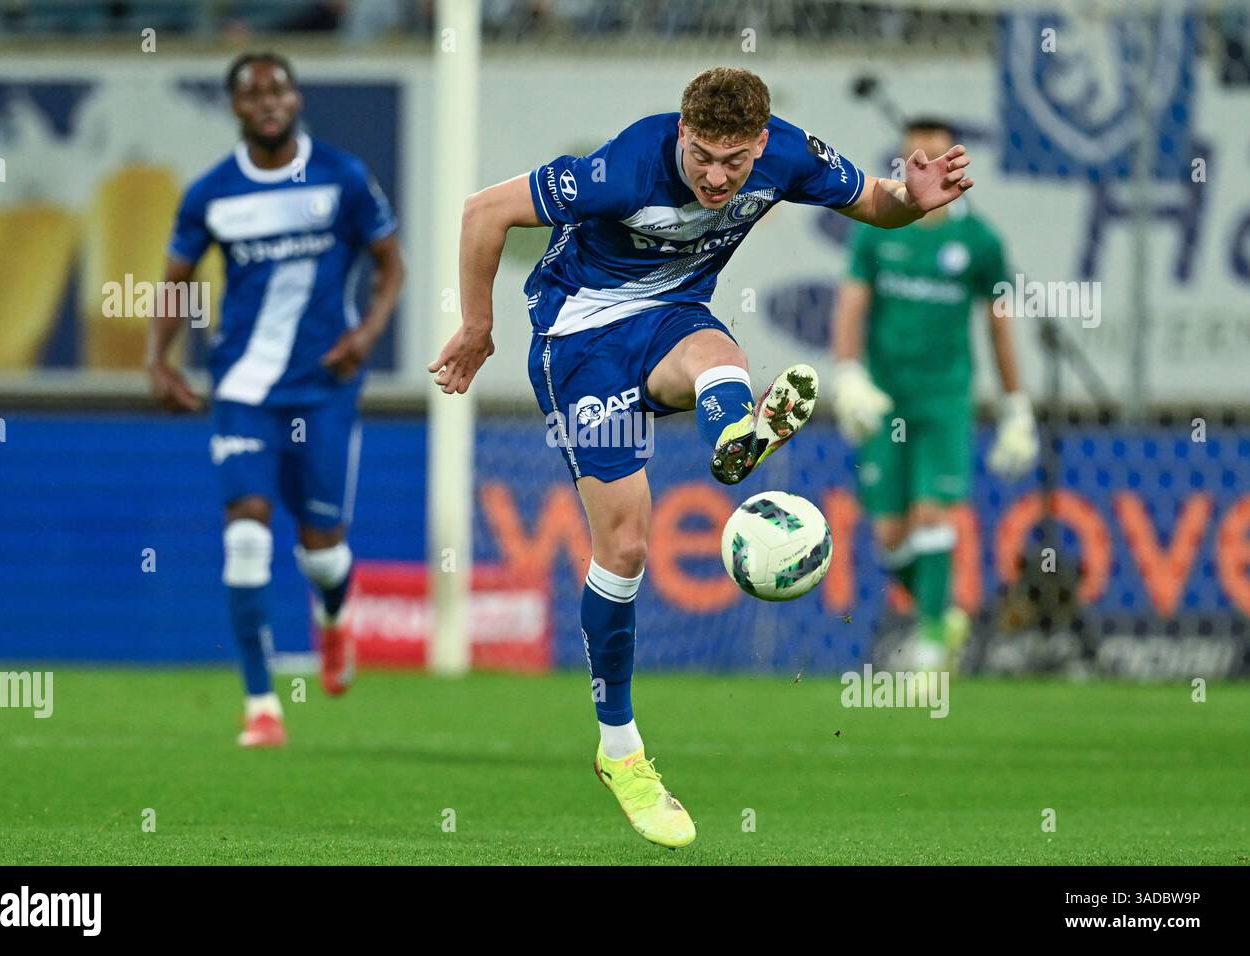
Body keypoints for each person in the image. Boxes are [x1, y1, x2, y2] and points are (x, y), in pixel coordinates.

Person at [430, 67, 973, 848]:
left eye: (735, 161)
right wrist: (478, 326)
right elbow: (484, 212)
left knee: (721, 352)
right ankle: (620, 751)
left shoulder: (787, 155)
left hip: (672, 318)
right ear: (682, 134)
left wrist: (910, 202)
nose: (718, 178)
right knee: (625, 546)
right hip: (579, 344)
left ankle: (731, 436)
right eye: (703, 158)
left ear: (760, 143)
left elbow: (877, 204)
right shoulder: (620, 168)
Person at [147, 52, 405, 747]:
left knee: (322, 552)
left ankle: (333, 616)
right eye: (253, 91)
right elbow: (175, 280)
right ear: (235, 107)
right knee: (246, 533)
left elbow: (391, 266)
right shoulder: (210, 194)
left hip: (323, 387)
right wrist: (157, 359)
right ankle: (262, 704)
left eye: (279, 88)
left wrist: (366, 335)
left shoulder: (343, 178)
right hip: (243, 389)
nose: (268, 100)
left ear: (295, 99)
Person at [831, 117, 1037, 676]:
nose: (922, 166)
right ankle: (940, 616)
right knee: (890, 535)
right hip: (884, 398)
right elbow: (851, 304)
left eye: (933, 157)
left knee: (931, 514)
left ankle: (927, 649)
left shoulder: (979, 240)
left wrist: (1015, 407)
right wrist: (848, 373)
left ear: (954, 165)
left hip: (944, 398)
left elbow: (998, 322)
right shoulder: (876, 229)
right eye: (912, 158)